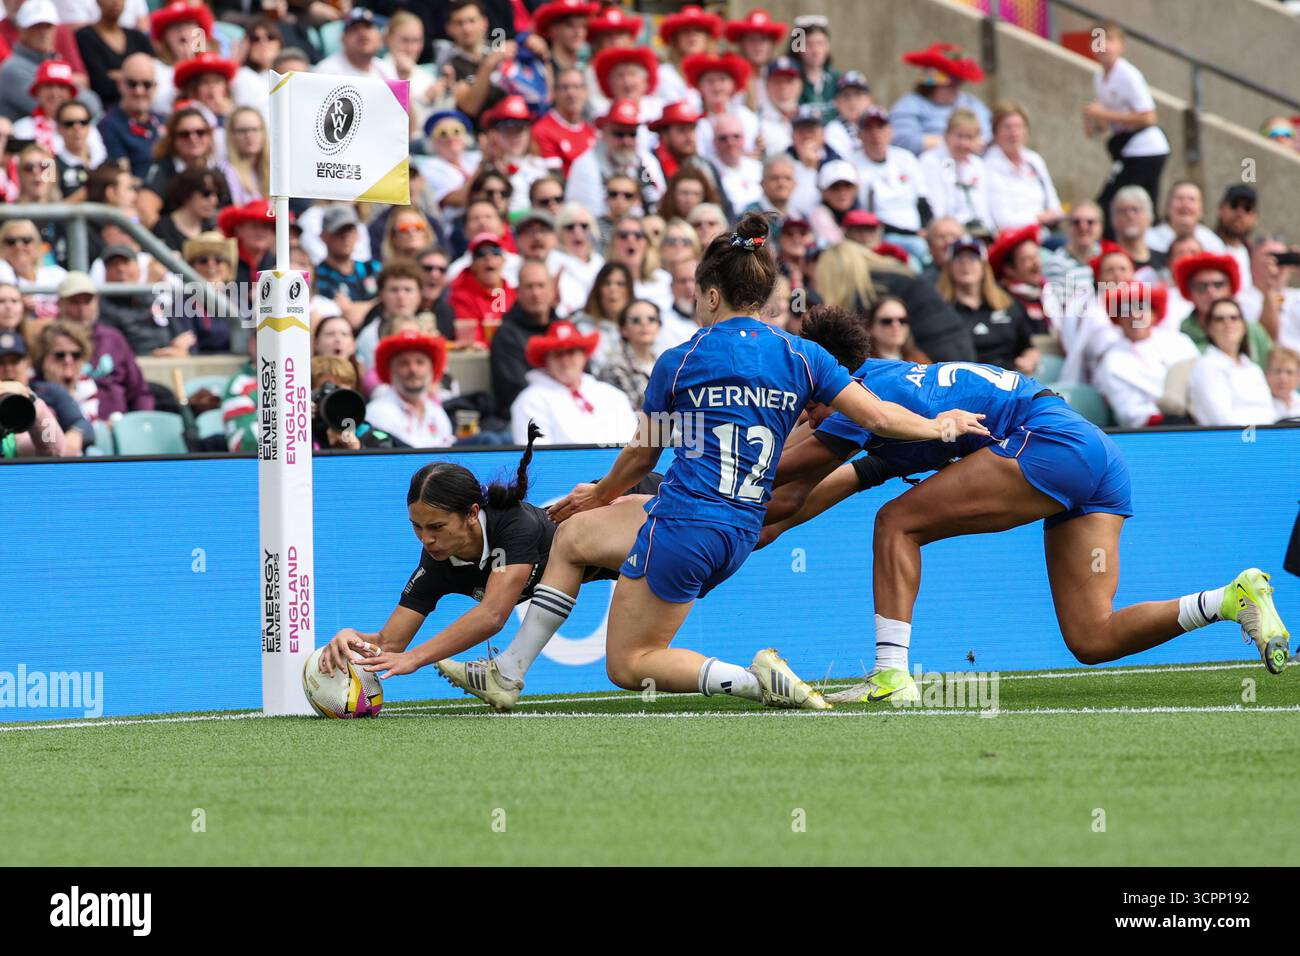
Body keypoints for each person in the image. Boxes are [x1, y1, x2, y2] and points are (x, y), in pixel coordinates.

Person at [432, 215, 990, 711]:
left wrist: (601, 490)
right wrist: (940, 425)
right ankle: (507, 673)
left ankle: (754, 681)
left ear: (714, 296)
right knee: (576, 538)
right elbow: (878, 417)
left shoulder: (681, 359)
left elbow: (644, 451)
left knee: (629, 664)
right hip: (740, 529)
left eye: (701, 297)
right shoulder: (802, 354)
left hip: (683, 524)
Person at [763, 347, 1292, 707]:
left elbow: (788, 488)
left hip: (1049, 443)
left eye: (807, 407)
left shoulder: (862, 399)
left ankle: (892, 675)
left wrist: (708, 508)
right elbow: (813, 496)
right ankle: (1228, 600)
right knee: (1092, 637)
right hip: (1095, 453)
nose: (808, 419)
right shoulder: (895, 383)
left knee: (897, 523)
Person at [314, 429, 661, 682]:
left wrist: (415, 659)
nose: (426, 539)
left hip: (643, 503)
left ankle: (507, 674)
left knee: (630, 663)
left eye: (436, 526)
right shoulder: (436, 562)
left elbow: (494, 613)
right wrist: (353, 638)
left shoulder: (513, 523)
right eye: (417, 527)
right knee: (627, 669)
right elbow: (389, 642)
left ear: (471, 513)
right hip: (634, 562)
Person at [1084, 21, 1169, 234]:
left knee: (1119, 205)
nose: (1103, 45)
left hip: (1146, 150)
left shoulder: (1128, 75)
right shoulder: (1099, 77)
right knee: (1125, 205)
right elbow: (1110, 121)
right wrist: (1093, 121)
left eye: (1109, 39)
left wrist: (1102, 113)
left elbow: (1148, 117)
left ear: (1121, 45)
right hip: (1129, 149)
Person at [508, 319, 637, 445]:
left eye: (571, 352)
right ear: (546, 360)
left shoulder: (612, 395)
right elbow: (537, 460)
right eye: (558, 354)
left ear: (584, 356)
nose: (565, 361)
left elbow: (633, 448)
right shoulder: (530, 401)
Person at [1092, 281, 1199, 427]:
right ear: (1118, 319)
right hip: (1161, 430)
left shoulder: (1180, 341)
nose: (1135, 315)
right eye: (1127, 310)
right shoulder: (1112, 361)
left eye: (1141, 308)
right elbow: (1130, 413)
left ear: (1154, 314)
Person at [57, 271, 153, 416]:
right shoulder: (51, 341)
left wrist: (140, 423)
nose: (82, 309)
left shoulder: (113, 338)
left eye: (87, 301)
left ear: (97, 302)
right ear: (60, 304)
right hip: (72, 426)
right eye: (74, 302)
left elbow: (139, 391)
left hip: (119, 426)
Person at [937, 234, 1037, 373]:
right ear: (949, 267)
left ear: (984, 266)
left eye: (972, 258)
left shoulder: (1008, 304)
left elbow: (1028, 347)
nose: (966, 265)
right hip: (959, 384)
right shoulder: (939, 310)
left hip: (1006, 382)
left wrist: (1028, 360)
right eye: (959, 259)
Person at [1187, 297, 1276, 426]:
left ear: (1244, 326)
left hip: (1265, 438)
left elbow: (1269, 411)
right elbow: (1220, 420)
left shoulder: (1253, 368)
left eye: (1234, 318)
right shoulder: (1207, 366)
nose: (1228, 323)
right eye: (1219, 319)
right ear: (1209, 328)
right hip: (1229, 442)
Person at [889, 42, 990, 155]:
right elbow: (903, 141)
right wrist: (958, 144)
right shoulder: (909, 105)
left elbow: (986, 138)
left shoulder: (971, 103)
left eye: (958, 83)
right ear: (930, 86)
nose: (955, 89)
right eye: (949, 85)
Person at [490, 259, 559, 418]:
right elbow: (515, 390)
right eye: (529, 286)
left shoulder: (564, 329)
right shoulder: (506, 335)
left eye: (541, 285)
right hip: (527, 418)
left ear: (552, 290)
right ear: (518, 292)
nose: (535, 293)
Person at [364, 330, 455, 449]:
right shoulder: (377, 413)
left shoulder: (437, 413)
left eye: (420, 362)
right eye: (404, 363)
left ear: (432, 370)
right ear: (390, 371)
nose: (413, 369)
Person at [983, 101, 1063, 233]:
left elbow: (1056, 208)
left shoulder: (1034, 160)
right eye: (1007, 127)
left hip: (1044, 232)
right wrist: (1039, 218)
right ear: (995, 133)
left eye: (1018, 127)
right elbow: (1003, 220)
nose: (1014, 133)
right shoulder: (988, 165)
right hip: (1011, 236)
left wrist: (1048, 217)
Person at [918, 109, 991, 236]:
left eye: (969, 137)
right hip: (948, 232)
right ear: (947, 135)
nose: (964, 143)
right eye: (959, 136)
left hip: (978, 230)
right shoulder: (938, 161)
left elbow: (984, 207)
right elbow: (943, 205)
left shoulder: (977, 165)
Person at [97, 51, 163, 178]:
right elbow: (123, 176)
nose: (139, 91)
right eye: (132, 84)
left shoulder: (164, 120)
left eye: (146, 84)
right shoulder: (108, 124)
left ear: (155, 87)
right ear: (120, 84)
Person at [596, 299, 661, 410]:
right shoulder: (613, 367)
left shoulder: (666, 363)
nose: (644, 324)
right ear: (623, 329)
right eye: (636, 320)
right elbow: (621, 414)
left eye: (651, 319)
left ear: (658, 327)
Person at [1145, 181, 1224, 255]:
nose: (1185, 205)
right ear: (1167, 207)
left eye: (1192, 199)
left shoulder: (1213, 244)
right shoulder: (1148, 240)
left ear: (1202, 210)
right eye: (1179, 198)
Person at [866, 296, 929, 363]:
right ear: (871, 327)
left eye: (902, 320)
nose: (896, 326)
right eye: (887, 321)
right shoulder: (862, 363)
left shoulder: (920, 360)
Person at [1265, 345, 1300, 421]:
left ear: (1298, 376)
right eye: (1277, 371)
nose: (1283, 378)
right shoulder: (1259, 404)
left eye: (1289, 372)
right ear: (1267, 374)